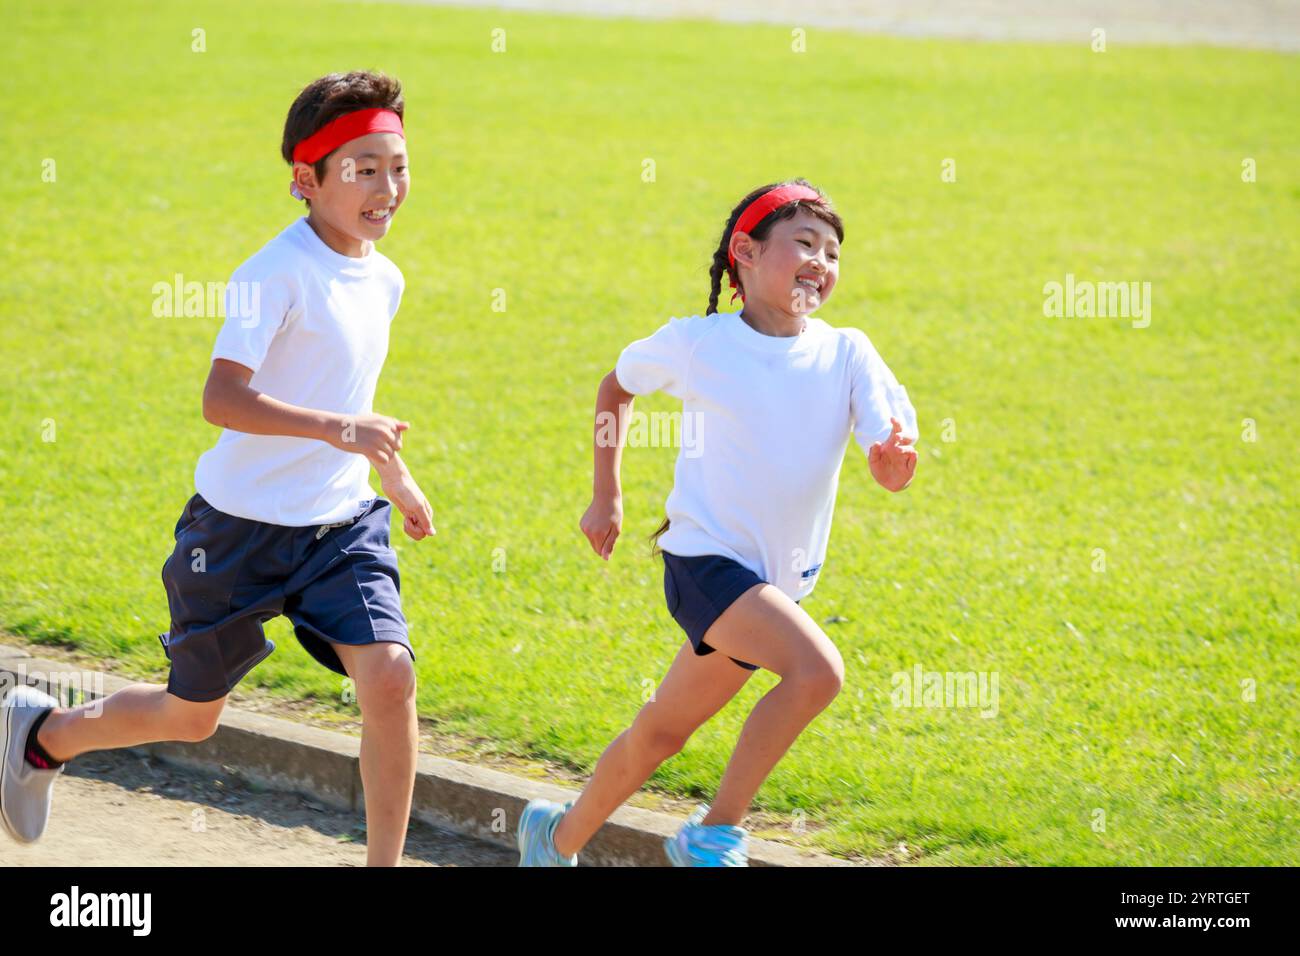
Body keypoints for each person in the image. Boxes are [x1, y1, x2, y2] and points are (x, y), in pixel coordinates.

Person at [0, 70, 435, 867]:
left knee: (391, 679)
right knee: (191, 716)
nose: (388, 187)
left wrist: (389, 472)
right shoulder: (270, 275)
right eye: (362, 168)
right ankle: (41, 735)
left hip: (339, 525)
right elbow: (223, 399)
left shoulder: (384, 275)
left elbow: (348, 396)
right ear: (307, 179)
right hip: (237, 530)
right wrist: (346, 429)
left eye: (397, 165)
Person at [518, 179, 918, 866]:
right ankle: (715, 832)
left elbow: (888, 456)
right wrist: (605, 494)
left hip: (773, 584)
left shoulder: (848, 351)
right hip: (705, 566)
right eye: (804, 243)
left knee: (661, 733)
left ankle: (553, 840)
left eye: (833, 250)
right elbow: (617, 385)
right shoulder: (699, 344)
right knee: (817, 673)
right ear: (746, 252)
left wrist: (891, 463)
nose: (821, 261)